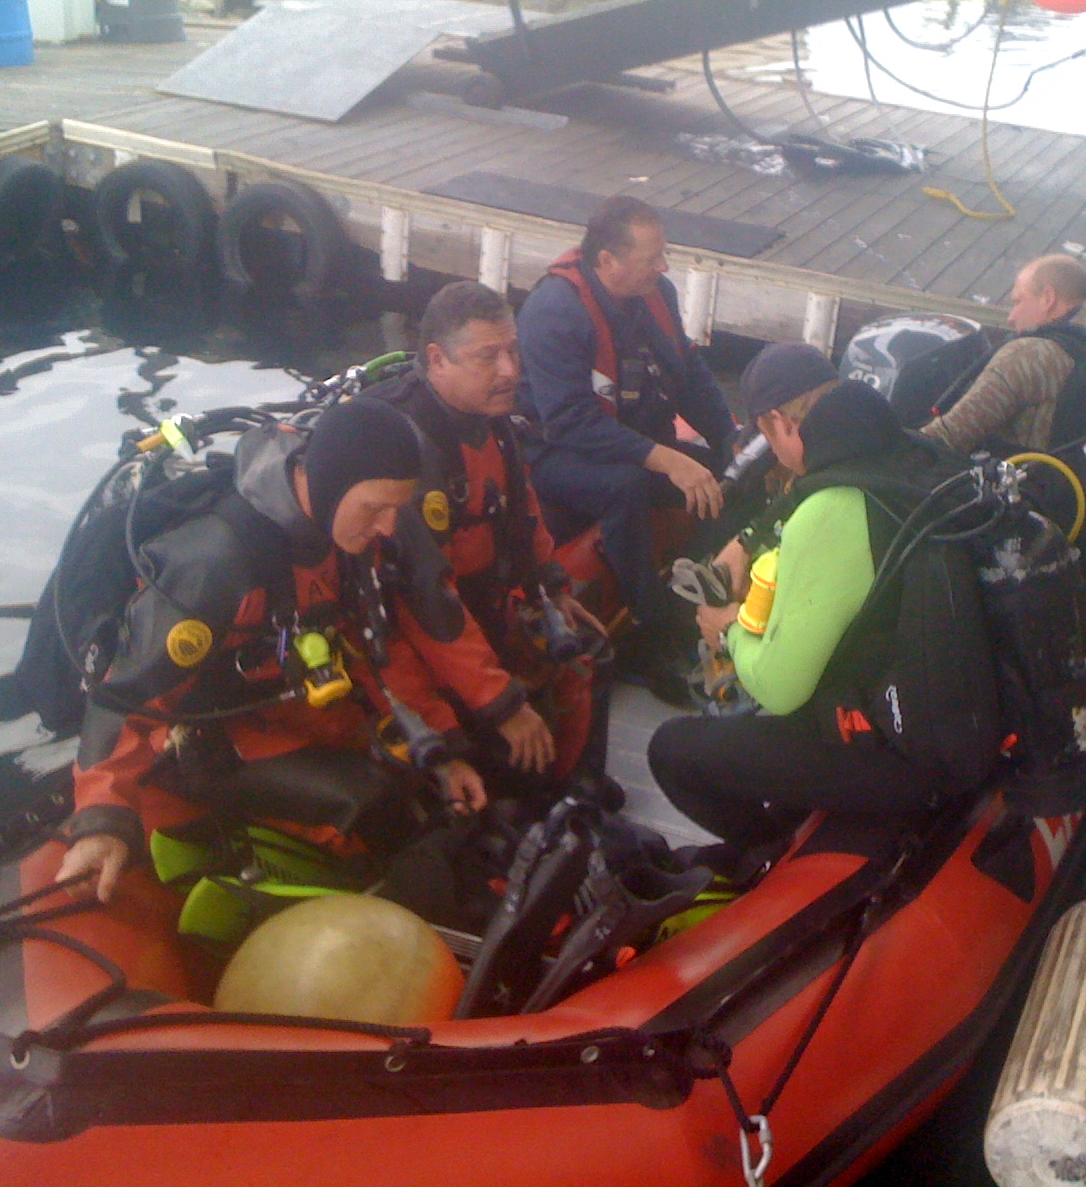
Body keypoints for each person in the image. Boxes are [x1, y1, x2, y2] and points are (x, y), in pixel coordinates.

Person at [56, 399, 487, 903]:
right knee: (371, 802)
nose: (390, 528)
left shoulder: (341, 535)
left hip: (285, 707)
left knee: (415, 787)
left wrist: (439, 750)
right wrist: (102, 820)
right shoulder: (218, 566)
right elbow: (124, 698)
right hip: (204, 738)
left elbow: (376, 644)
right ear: (329, 483)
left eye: (398, 509)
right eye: (376, 508)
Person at [648, 346, 1000, 849]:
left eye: (767, 437)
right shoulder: (905, 451)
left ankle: (766, 858)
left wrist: (728, 626)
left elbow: (779, 687)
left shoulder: (831, 509)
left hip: (895, 750)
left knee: (674, 752)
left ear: (777, 423)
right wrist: (748, 543)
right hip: (949, 716)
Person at [363, 281, 610, 792]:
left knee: (584, 662)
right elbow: (426, 599)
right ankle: (533, 808)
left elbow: (522, 512)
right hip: (412, 638)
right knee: (506, 743)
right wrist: (501, 703)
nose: (510, 371)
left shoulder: (490, 420)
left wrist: (550, 590)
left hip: (478, 607)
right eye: (487, 357)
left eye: (513, 351)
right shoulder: (408, 455)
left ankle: (578, 796)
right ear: (436, 360)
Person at [516, 196, 736, 683]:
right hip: (553, 450)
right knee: (625, 487)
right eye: (652, 259)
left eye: (663, 254)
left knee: (727, 475)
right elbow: (567, 421)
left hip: (623, 432)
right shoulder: (555, 312)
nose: (664, 266)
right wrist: (664, 460)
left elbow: (687, 371)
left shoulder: (657, 293)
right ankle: (649, 633)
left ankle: (700, 590)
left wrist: (728, 436)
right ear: (606, 262)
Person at [921, 254, 1086, 455]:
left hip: (1034, 490)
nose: (1011, 318)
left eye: (1018, 301)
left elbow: (946, 438)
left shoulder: (1029, 354)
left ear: (1048, 298)